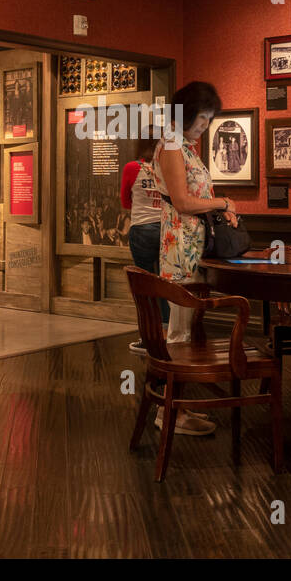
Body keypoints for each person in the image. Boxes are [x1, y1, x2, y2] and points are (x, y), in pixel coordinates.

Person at [152, 81, 241, 438]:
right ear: (186, 114)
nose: (205, 126)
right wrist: (222, 204)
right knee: (178, 333)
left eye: (208, 120)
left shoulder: (185, 146)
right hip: (179, 245)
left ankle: (179, 407)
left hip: (191, 244)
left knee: (187, 331)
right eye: (202, 119)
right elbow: (183, 201)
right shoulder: (172, 146)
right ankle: (168, 412)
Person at [122, 139, 168, 345]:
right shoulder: (164, 168)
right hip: (165, 230)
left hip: (141, 228)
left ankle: (149, 335)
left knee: (145, 284)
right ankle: (167, 333)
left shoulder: (132, 168)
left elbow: (125, 201)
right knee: (165, 284)